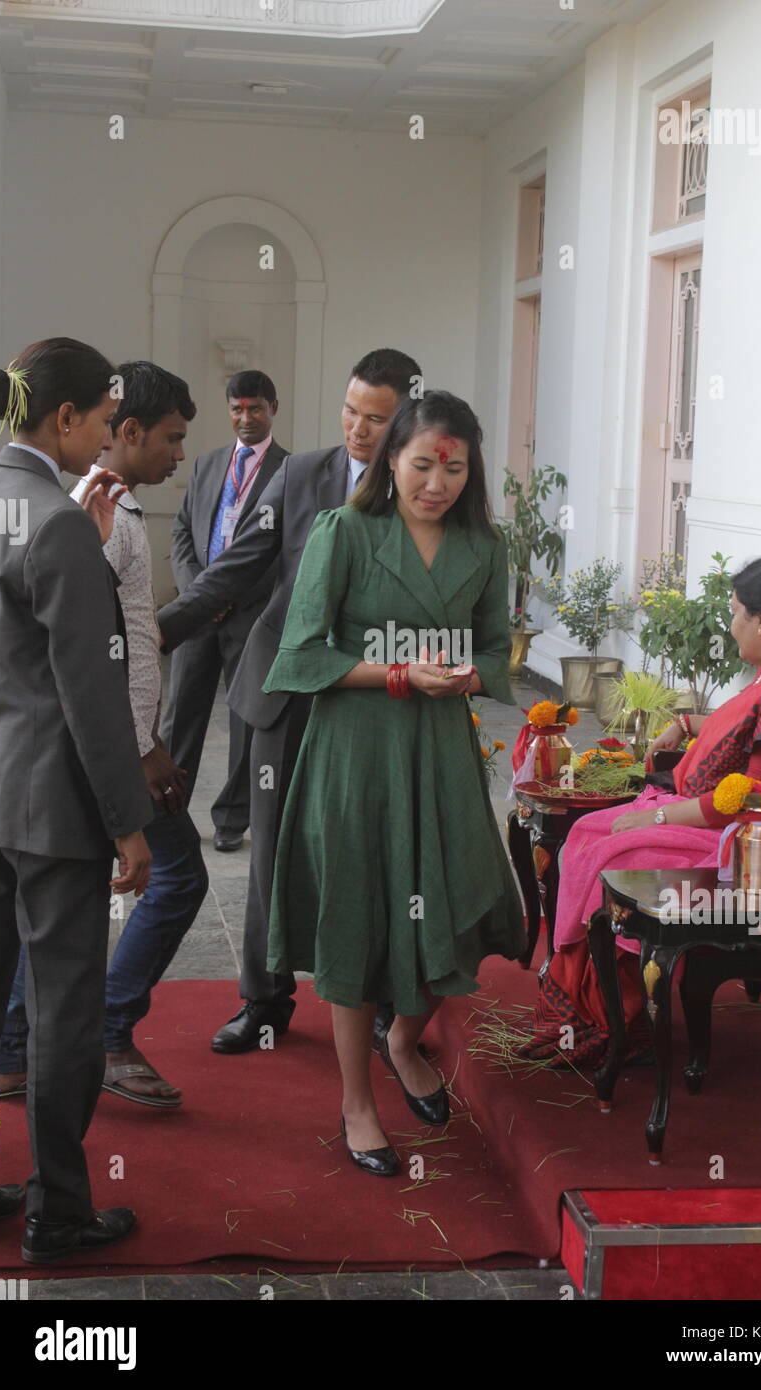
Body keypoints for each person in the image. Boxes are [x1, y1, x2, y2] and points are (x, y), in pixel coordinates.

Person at [263, 390, 527, 1176]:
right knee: (358, 910)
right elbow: (303, 653)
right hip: (356, 751)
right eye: (421, 465)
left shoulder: (485, 546)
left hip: (440, 751)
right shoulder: (345, 531)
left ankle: (405, 1040)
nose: (435, 483)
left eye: (454, 467)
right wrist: (401, 675)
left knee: (453, 893)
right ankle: (356, 1102)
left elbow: (494, 650)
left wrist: (466, 674)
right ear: (391, 461)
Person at [157, 349, 422, 1055]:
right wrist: (154, 630)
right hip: (284, 691)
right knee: (271, 852)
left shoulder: (425, 492)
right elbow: (235, 567)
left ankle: (388, 1004)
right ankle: (265, 1003)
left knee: (378, 851)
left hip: (375, 701)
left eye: (377, 418)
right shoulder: (302, 474)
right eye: (350, 411)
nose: (358, 430)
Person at [522, 554, 761, 1068]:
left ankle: (614, 1016)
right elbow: (743, 727)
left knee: (608, 845)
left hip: (751, 845)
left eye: (736, 612)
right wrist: (687, 722)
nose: (730, 623)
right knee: (591, 829)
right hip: (734, 822)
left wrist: (656, 818)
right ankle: (591, 1002)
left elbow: (752, 796)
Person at [0, 362, 208, 1109]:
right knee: (165, 890)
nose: (180, 455)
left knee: (31, 945)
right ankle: (62, 1198)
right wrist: (132, 776)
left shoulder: (57, 506)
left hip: (30, 772)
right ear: (108, 428)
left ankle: (13, 1072)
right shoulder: (76, 521)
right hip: (84, 768)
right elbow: (89, 671)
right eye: (171, 439)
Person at [0, 338, 152, 1262]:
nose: (105, 438)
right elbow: (90, 696)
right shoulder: (54, 522)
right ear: (64, 420)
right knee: (62, 1014)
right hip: (51, 808)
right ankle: (59, 1211)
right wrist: (128, 823)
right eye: (99, 421)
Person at [161, 370, 287, 852]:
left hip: (248, 616)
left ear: (273, 408)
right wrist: (198, 594)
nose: (246, 417)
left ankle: (231, 820)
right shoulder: (208, 464)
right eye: (237, 409)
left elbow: (283, 549)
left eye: (255, 408)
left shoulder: (289, 470)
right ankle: (167, 811)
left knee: (243, 721)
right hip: (199, 614)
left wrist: (229, 597)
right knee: (180, 718)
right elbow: (180, 532)